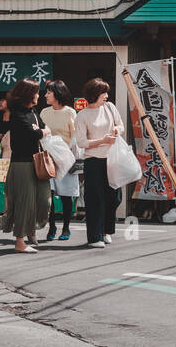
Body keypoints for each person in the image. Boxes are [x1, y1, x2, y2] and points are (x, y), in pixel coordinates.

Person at [0, 78, 51, 253]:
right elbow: (34, 132)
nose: (39, 95)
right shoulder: (17, 114)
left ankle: (31, 230)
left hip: (37, 162)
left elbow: (41, 129)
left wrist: (42, 131)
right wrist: (42, 132)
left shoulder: (34, 112)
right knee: (24, 203)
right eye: (36, 92)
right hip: (21, 164)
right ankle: (20, 241)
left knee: (44, 201)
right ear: (28, 94)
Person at [75, 78, 124, 248]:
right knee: (95, 198)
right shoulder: (82, 115)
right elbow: (81, 142)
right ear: (95, 94)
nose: (107, 96)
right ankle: (95, 237)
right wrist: (102, 140)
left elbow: (121, 125)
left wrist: (117, 130)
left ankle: (106, 231)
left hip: (112, 159)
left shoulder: (110, 108)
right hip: (93, 160)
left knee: (115, 196)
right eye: (104, 93)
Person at [41, 79, 80, 243]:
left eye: (49, 92)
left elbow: (75, 137)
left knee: (66, 196)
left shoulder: (70, 112)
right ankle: (51, 226)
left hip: (65, 158)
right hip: (48, 157)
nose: (46, 95)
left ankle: (66, 227)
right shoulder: (44, 112)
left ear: (58, 93)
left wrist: (75, 159)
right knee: (47, 195)